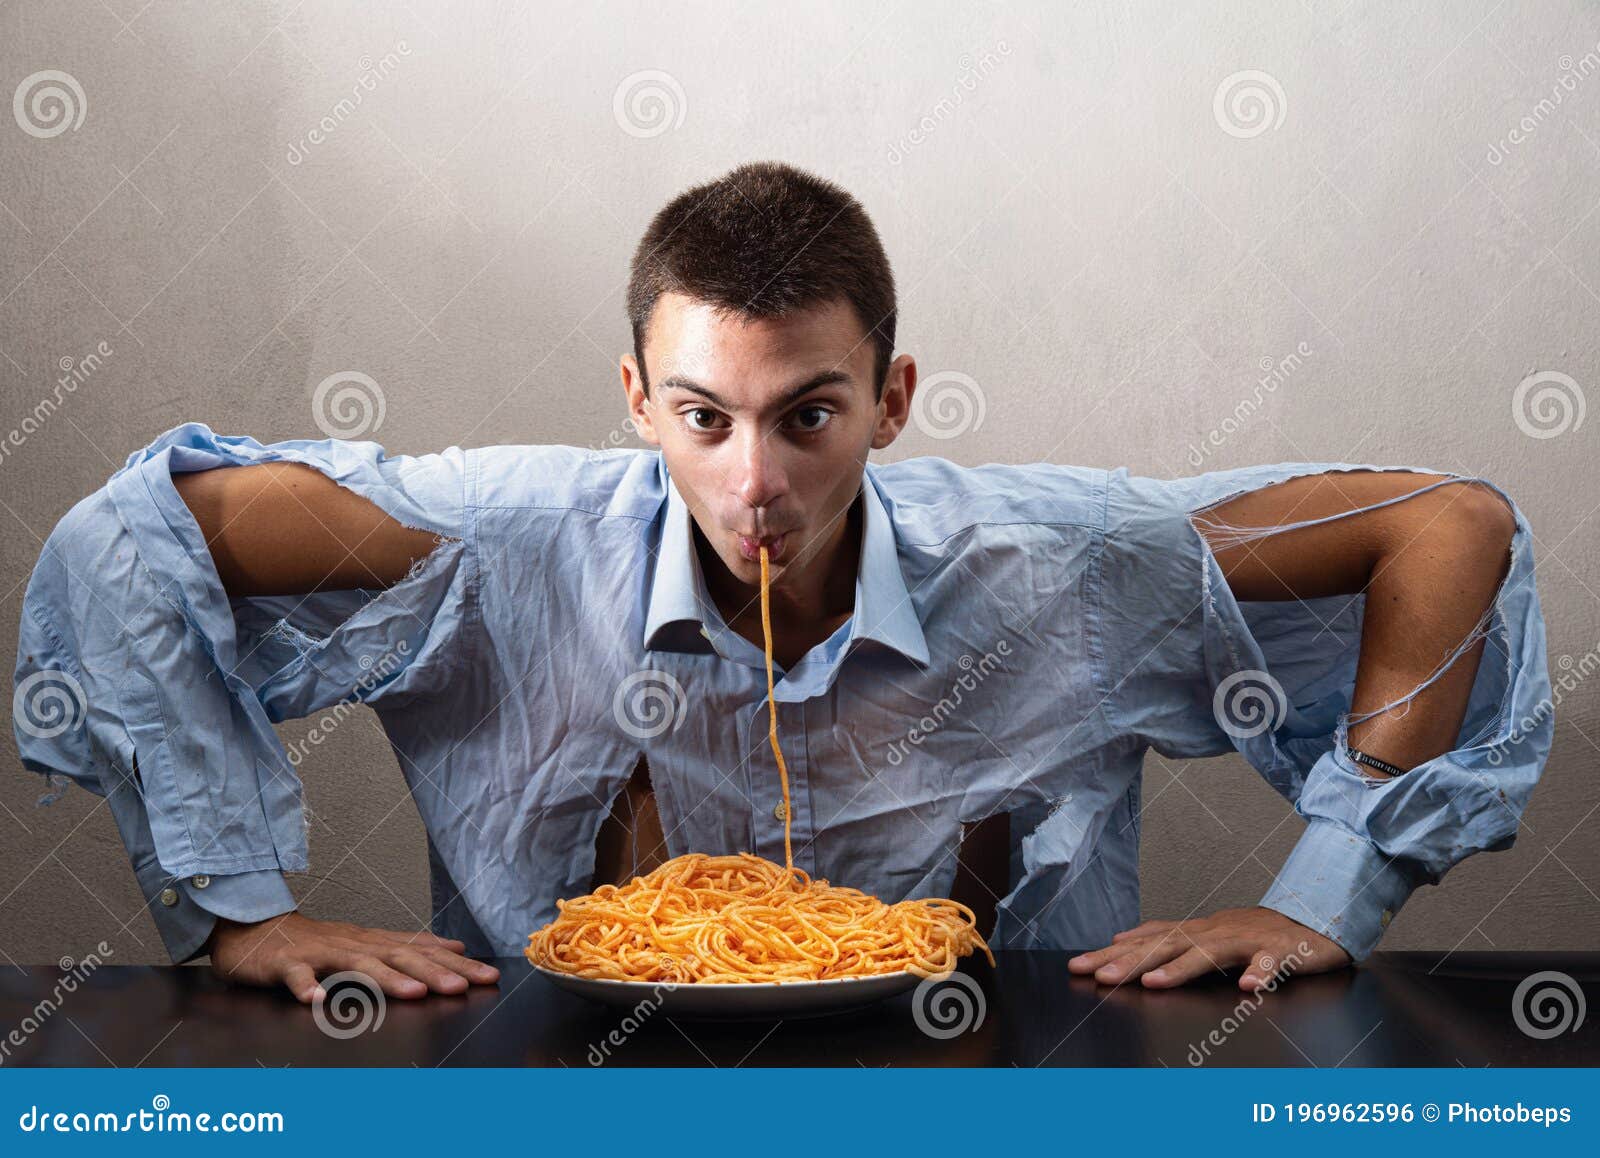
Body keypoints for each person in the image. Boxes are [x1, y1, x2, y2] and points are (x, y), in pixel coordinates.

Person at [12, 161, 1550, 1004]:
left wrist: (1325, 896)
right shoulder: (494, 538)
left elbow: (1448, 525)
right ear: (636, 399)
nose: (756, 481)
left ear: (893, 400)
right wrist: (236, 913)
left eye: (809, 416)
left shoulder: (1059, 557)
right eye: (704, 417)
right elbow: (123, 542)